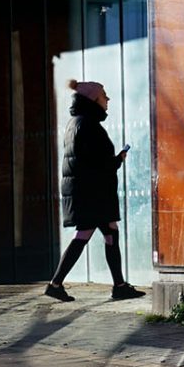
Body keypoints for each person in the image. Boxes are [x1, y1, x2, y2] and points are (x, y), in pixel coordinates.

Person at [46, 79, 144, 302]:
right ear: (93, 100)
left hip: (88, 192)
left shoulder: (77, 123)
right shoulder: (88, 125)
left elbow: (85, 161)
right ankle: (57, 283)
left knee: (107, 232)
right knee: (92, 233)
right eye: (104, 96)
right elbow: (96, 163)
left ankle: (117, 285)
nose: (107, 100)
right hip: (92, 194)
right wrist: (117, 160)